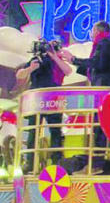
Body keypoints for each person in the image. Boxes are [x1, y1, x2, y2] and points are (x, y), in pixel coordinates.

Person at [65, 22, 110, 173]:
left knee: (103, 128)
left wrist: (74, 59)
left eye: (92, 31)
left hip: (105, 93)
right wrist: (70, 61)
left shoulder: (105, 43)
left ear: (97, 31)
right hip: (104, 93)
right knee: (101, 128)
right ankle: (104, 162)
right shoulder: (105, 45)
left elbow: (97, 64)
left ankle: (105, 163)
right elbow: (94, 68)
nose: (91, 34)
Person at [16, 42, 74, 171]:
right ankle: (30, 162)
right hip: (36, 101)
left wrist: (54, 57)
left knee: (55, 131)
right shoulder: (36, 60)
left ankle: (57, 161)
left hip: (54, 99)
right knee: (33, 131)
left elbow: (68, 71)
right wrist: (30, 69)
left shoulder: (57, 63)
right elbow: (19, 74)